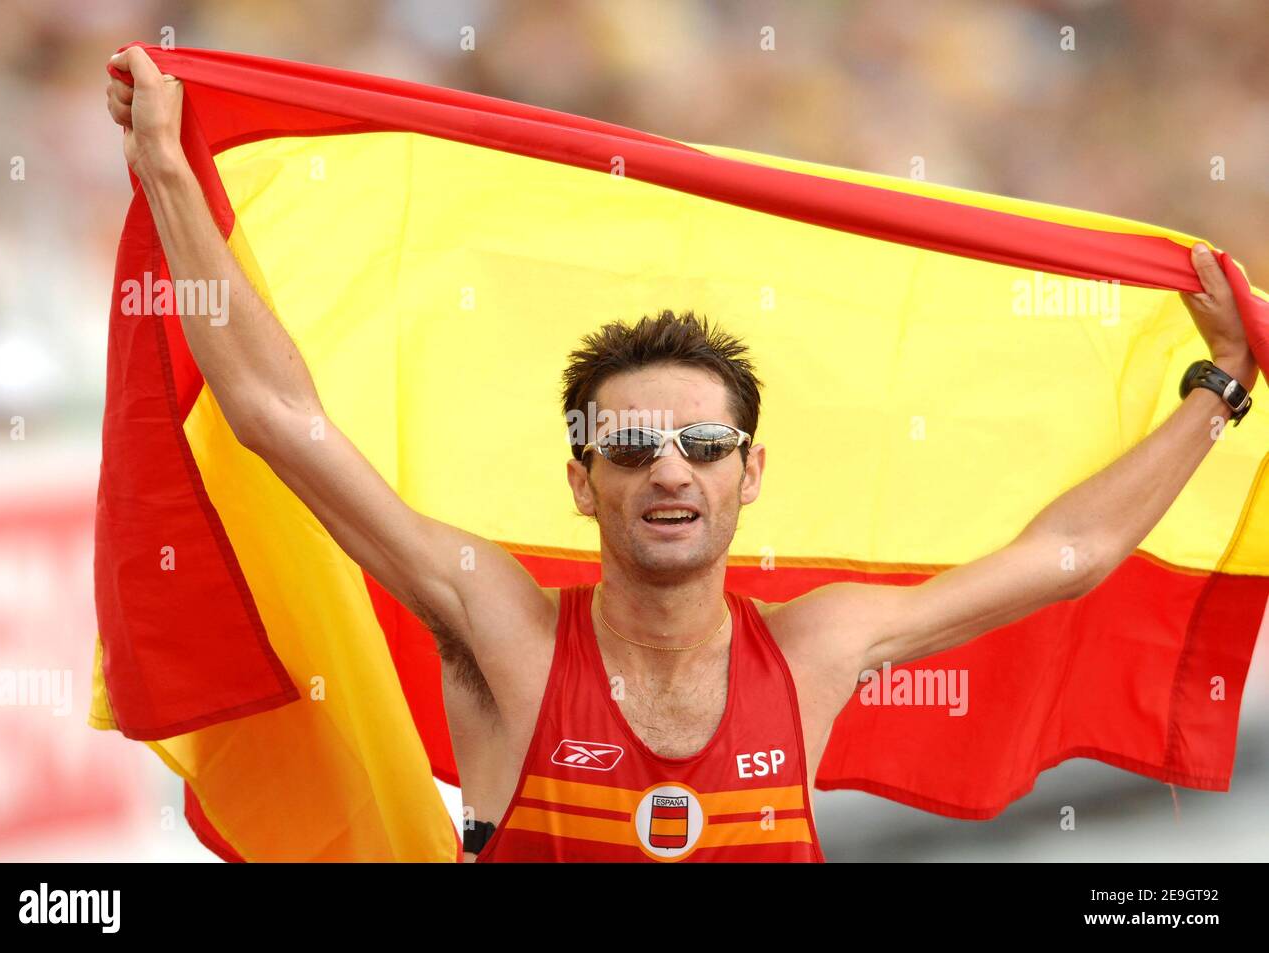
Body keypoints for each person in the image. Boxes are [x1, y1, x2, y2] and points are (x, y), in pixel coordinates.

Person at [106, 45, 1258, 862]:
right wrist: (165, 162)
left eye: (703, 445)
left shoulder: (820, 647)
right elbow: (274, 414)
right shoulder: (500, 628)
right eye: (631, 447)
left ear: (746, 475)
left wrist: (1216, 389)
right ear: (579, 479)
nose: (668, 468)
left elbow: (1067, 551)